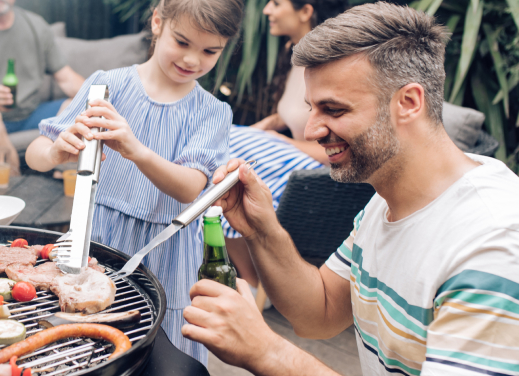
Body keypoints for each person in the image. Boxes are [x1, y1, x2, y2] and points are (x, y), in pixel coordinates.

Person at [182, 3, 519, 375]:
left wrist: (268, 352)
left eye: (334, 110)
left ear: (408, 102)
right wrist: (262, 230)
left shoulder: (492, 246)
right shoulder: (387, 201)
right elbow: (320, 312)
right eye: (312, 108)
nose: (311, 131)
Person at [25, 0, 243, 364]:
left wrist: (135, 149)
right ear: (158, 22)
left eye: (210, 51)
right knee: (87, 345)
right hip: (99, 236)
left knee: (160, 353)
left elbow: (190, 187)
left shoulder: (212, 111)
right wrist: (55, 153)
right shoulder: (106, 85)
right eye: (182, 41)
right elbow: (37, 149)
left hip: (167, 251)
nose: (192, 59)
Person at [223, 0, 348, 288]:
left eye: (277, 3)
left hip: (318, 167)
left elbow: (340, 152)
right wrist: (264, 127)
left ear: (305, 12)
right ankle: (246, 274)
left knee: (233, 171)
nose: (267, 10)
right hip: (291, 152)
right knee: (222, 143)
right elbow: (290, 112)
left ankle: (255, 283)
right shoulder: (298, 57)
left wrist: (275, 139)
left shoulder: (330, 67)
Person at [0, 0, 86, 173]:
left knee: (76, 107)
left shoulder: (35, 25)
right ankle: (16, 182)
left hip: (30, 114)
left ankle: (70, 176)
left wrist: (103, 100)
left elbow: (67, 79)